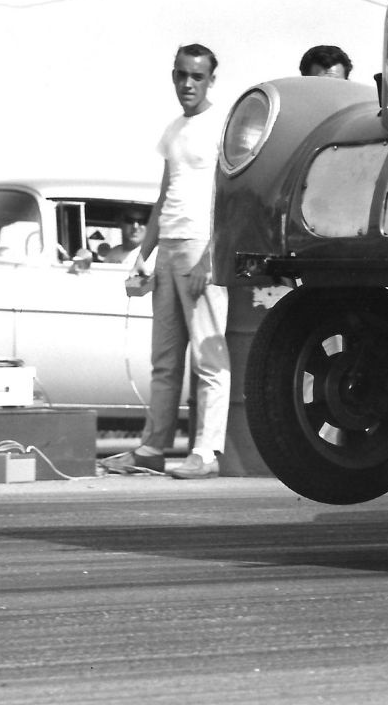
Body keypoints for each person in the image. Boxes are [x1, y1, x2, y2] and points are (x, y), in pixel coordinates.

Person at [100, 44, 230, 479]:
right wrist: (143, 254)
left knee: (209, 356)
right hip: (170, 246)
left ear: (211, 79)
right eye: (181, 75)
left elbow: (230, 197)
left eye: (196, 76)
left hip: (200, 246)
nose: (187, 84)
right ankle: (152, 447)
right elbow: (164, 196)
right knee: (166, 358)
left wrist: (212, 257)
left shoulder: (223, 124)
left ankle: (207, 452)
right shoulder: (173, 130)